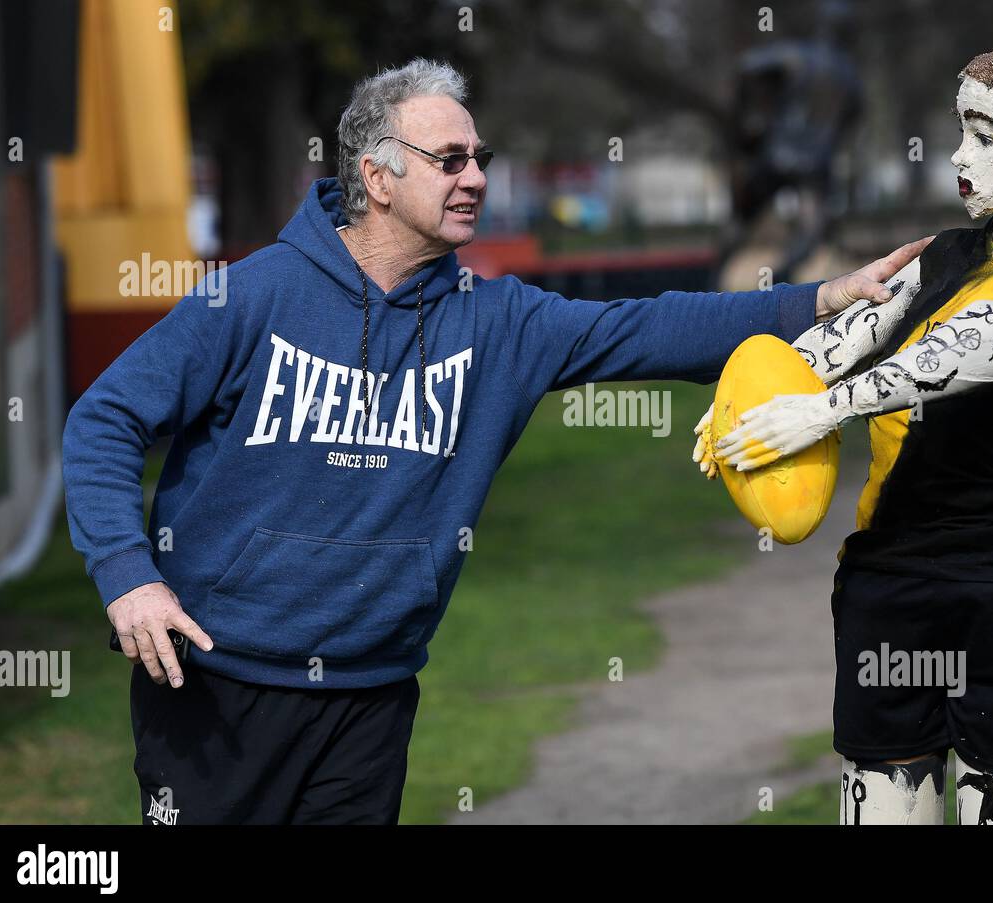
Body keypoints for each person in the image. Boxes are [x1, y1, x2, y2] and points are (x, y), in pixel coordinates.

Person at [62, 57, 927, 825]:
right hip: (214, 690)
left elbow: (652, 328)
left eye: (480, 158)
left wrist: (816, 301)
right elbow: (104, 419)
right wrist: (129, 577)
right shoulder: (249, 296)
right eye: (451, 160)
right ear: (378, 177)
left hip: (371, 696)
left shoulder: (500, 320)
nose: (475, 176)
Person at [703, 49, 993, 824]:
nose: (956, 156)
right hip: (886, 580)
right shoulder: (939, 261)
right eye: (960, 130)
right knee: (880, 799)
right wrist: (739, 403)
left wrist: (828, 410)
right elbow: (838, 339)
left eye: (984, 134)